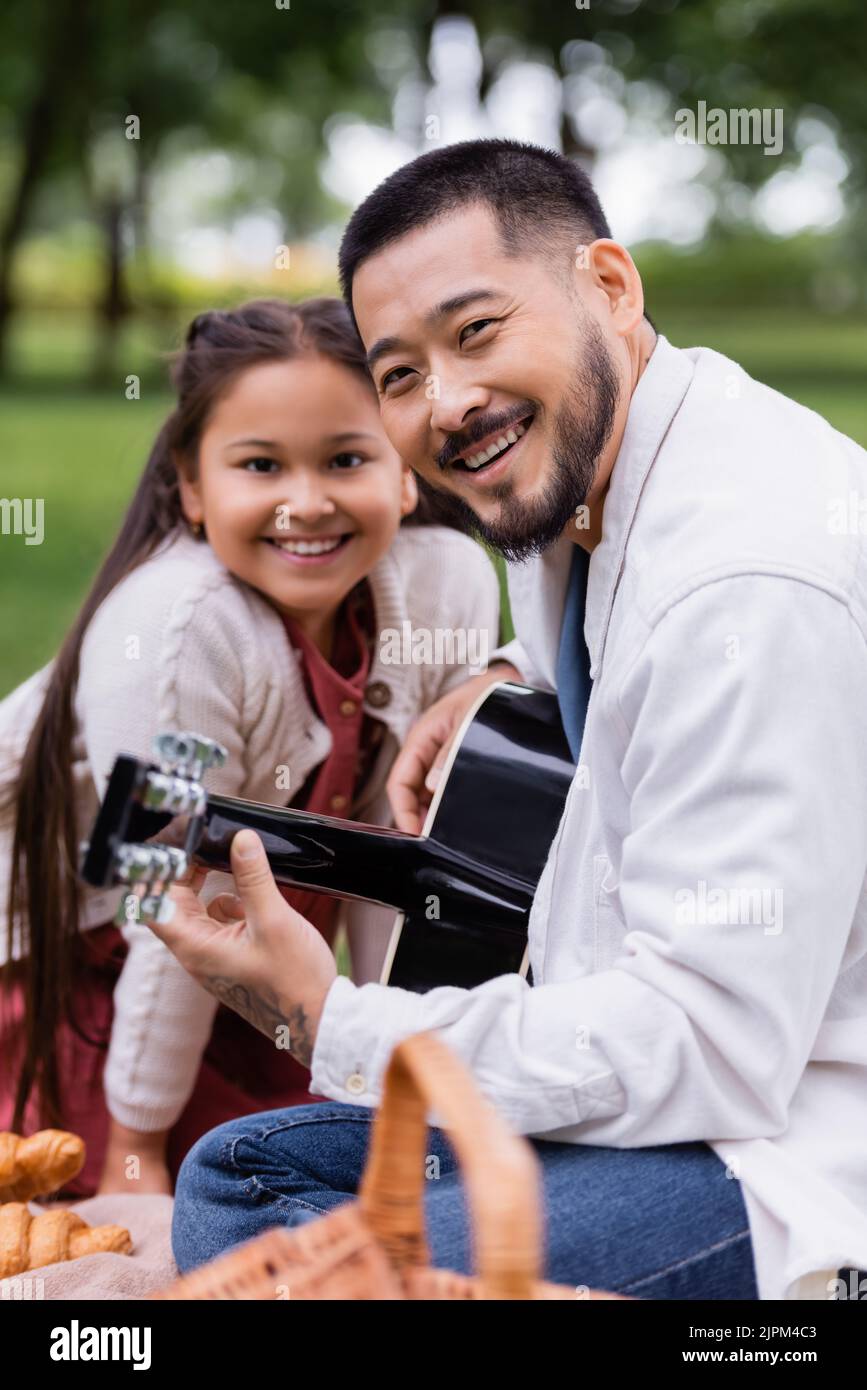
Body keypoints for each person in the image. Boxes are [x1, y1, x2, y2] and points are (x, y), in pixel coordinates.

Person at [151, 140, 867, 1301]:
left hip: (785, 1142)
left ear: (612, 287)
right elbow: (601, 631)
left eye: (477, 331)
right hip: (663, 1089)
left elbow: (710, 1046)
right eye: (398, 374)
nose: (449, 405)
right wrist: (490, 673)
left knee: (344, 1274)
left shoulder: (748, 586)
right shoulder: (597, 461)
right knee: (243, 1177)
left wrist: (324, 1012)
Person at [0, 295, 502, 1199]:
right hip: (86, 978)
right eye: (260, 465)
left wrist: (400, 1054)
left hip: (256, 980)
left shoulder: (443, 584)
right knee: (173, 1217)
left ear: (403, 473)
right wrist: (134, 1150)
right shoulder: (174, 632)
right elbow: (164, 911)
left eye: (346, 459)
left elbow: (402, 854)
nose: (304, 503)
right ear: (193, 488)